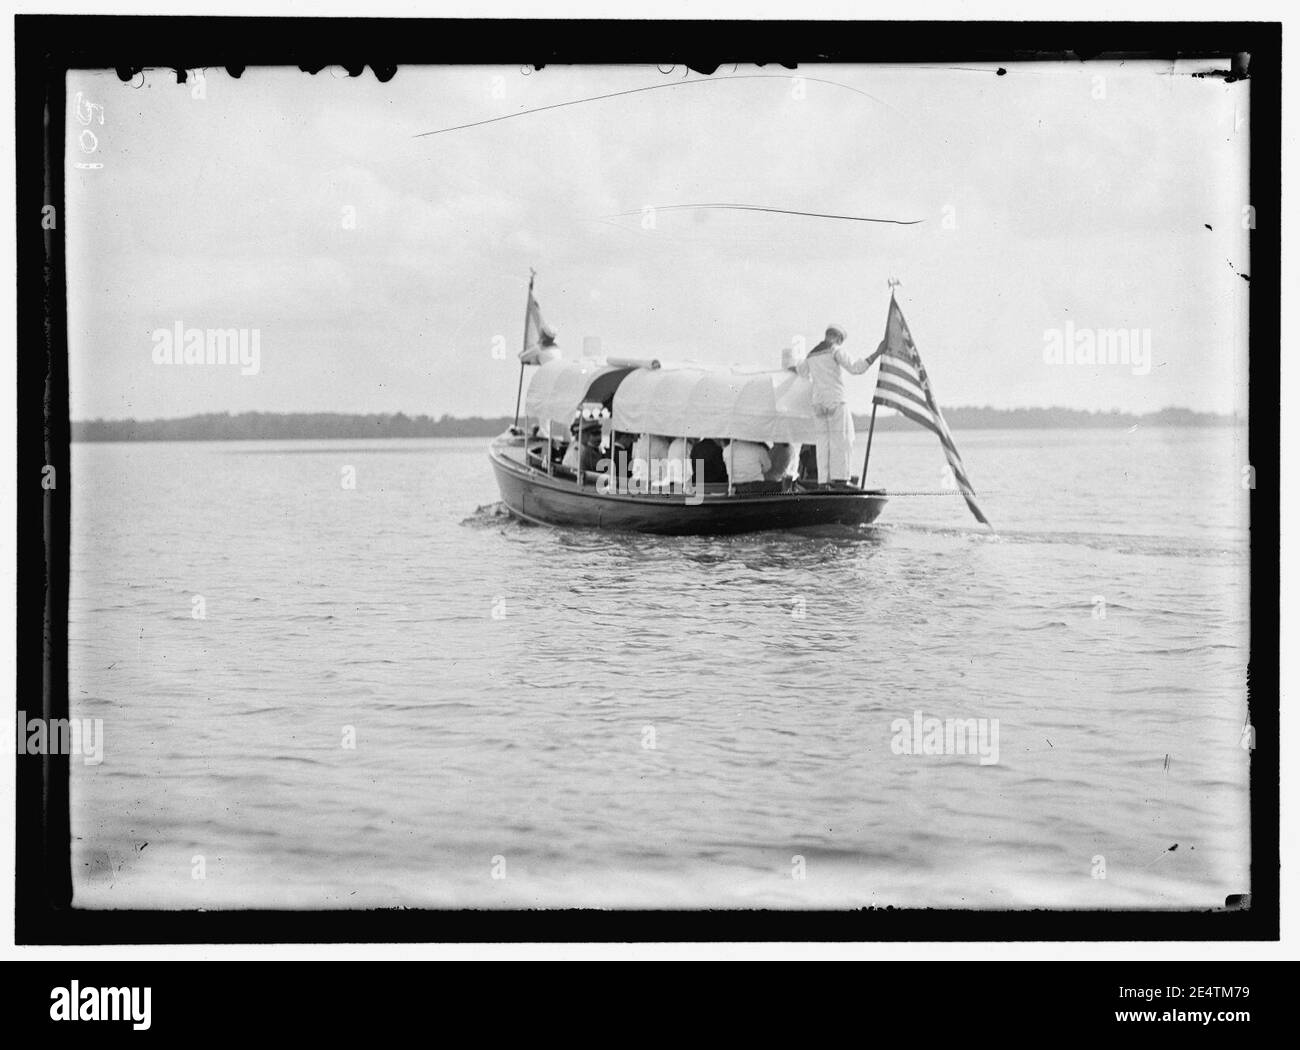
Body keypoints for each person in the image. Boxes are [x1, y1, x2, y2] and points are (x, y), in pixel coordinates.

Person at [796, 325, 884, 485]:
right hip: (836, 400)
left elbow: (801, 372)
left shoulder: (811, 354)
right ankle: (841, 480)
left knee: (823, 443)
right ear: (838, 338)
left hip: (818, 403)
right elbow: (855, 368)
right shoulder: (835, 350)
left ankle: (823, 481)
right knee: (843, 439)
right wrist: (877, 353)